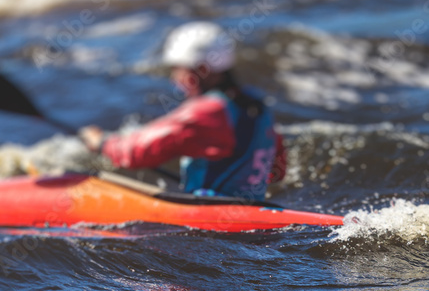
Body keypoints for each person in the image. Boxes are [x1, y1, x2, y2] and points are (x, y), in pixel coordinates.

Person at [78, 21, 287, 202]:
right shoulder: (257, 106)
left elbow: (136, 152)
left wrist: (102, 141)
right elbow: (277, 172)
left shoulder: (206, 111)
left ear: (203, 70)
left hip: (211, 225)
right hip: (249, 215)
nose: (175, 80)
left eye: (179, 70)